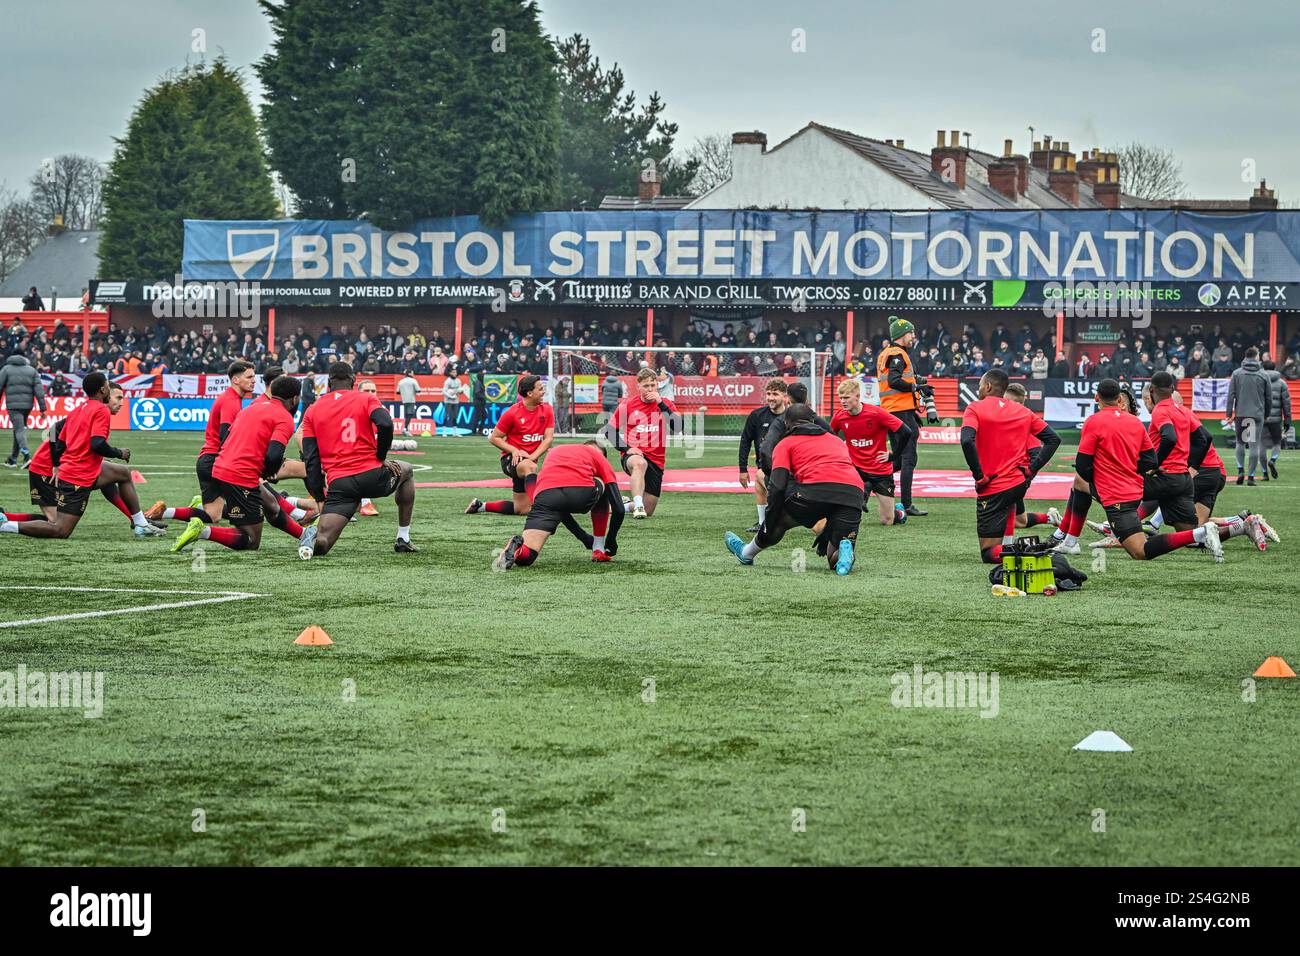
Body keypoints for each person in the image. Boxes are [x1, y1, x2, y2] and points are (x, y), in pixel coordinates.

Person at [1073, 379, 1222, 562]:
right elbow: (1151, 460)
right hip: (1170, 479)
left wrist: (1099, 478)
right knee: (1186, 530)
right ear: (1119, 398)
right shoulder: (1136, 422)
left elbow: (1082, 464)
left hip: (1119, 494)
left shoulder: (1093, 421)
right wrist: (1135, 470)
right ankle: (1228, 526)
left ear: (1097, 397)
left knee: (1140, 551)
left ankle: (1069, 539)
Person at [1, 375, 160, 540]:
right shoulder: (99, 410)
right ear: (104, 392)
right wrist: (117, 452)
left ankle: (140, 523)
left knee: (121, 472)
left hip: (71, 466)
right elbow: (93, 443)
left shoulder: (83, 408)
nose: (122, 402)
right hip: (51, 469)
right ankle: (4, 522)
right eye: (118, 397)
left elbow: (74, 442)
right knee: (57, 527)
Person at [296, 362, 417, 559]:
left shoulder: (313, 409)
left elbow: (310, 458)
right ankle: (402, 538)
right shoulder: (366, 398)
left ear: (328, 383)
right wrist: (381, 457)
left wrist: (318, 495)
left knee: (324, 542)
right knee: (407, 470)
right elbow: (385, 424)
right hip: (372, 476)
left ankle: (311, 538)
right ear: (353, 381)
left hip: (340, 484)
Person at [171, 377, 306, 553]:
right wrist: (269, 472)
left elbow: (225, 438)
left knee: (271, 504)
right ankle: (203, 531)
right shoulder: (285, 418)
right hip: (241, 475)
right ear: (295, 398)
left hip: (221, 467)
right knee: (250, 540)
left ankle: (305, 534)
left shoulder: (251, 408)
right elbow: (274, 455)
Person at [724, 404, 863, 575]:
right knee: (833, 557)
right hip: (853, 493)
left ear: (786, 424)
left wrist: (771, 516)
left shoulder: (785, 443)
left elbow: (777, 485)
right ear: (814, 421)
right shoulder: (835, 440)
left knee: (780, 520)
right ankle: (844, 553)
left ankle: (747, 553)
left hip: (815, 489)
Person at [959, 368, 1061, 564]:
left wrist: (978, 476)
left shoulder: (974, 408)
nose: (979, 389)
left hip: (993, 486)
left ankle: (1031, 551)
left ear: (988, 386)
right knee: (1014, 520)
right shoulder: (1023, 411)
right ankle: (1024, 546)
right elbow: (1053, 439)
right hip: (1018, 484)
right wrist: (1032, 469)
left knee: (989, 553)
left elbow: (966, 441)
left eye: (980, 385)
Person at [494, 441, 624, 569]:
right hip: (580, 493)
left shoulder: (556, 450)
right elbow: (619, 509)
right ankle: (599, 548)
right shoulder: (599, 458)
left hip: (545, 495)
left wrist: (583, 537)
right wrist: (611, 540)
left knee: (526, 557)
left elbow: (561, 508)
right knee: (604, 482)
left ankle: (517, 549)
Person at [466, 374, 555, 517]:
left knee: (521, 509)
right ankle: (540, 507)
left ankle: (481, 506)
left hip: (529, 462)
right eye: (540, 389)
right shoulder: (512, 413)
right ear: (530, 393)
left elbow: (548, 439)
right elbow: (494, 437)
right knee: (531, 467)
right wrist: (515, 450)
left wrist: (532, 456)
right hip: (510, 460)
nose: (543, 391)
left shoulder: (547, 409)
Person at [829, 378, 912, 526]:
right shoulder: (839, 416)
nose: (843, 401)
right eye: (840, 398)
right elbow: (828, 437)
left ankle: (898, 513)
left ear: (857, 396)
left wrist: (894, 455)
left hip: (880, 470)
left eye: (846, 397)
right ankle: (863, 492)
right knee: (840, 500)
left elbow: (906, 432)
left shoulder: (876, 413)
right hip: (856, 469)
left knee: (887, 521)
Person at [605, 367, 679, 518]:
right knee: (640, 464)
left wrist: (660, 404)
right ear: (638, 386)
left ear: (657, 385)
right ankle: (638, 506)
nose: (650, 389)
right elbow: (609, 431)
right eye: (646, 386)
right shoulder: (628, 405)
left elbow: (678, 427)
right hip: (633, 456)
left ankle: (621, 505)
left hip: (657, 460)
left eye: (653, 385)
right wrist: (627, 448)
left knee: (649, 509)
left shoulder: (665, 404)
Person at [876, 316, 929, 517]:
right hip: (898, 411)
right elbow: (894, 381)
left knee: (898, 460)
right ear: (901, 335)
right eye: (911, 333)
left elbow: (898, 380)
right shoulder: (897, 354)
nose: (913, 336)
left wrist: (917, 382)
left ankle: (865, 487)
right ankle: (907, 505)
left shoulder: (889, 353)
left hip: (895, 411)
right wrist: (916, 386)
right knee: (909, 458)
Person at [193, 361, 257, 522]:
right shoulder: (231, 401)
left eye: (254, 377)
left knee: (213, 516)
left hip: (208, 460)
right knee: (257, 497)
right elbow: (226, 437)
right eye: (249, 377)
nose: (254, 380)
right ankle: (298, 511)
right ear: (236, 380)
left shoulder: (231, 398)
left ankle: (164, 512)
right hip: (216, 461)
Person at [1002, 382, 1062, 531]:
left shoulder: (1025, 420)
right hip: (1008, 475)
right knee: (1019, 521)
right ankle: (1050, 518)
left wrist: (1027, 475)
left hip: (1014, 478)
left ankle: (1003, 551)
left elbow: (1037, 452)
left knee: (999, 517)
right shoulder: (1007, 418)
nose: (1002, 404)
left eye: (1005, 401)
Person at [738, 379, 788, 533]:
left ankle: (780, 511)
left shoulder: (791, 416)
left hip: (788, 467)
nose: (770, 397)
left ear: (785, 396)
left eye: (775, 394)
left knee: (760, 475)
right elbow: (745, 440)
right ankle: (763, 524)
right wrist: (743, 469)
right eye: (768, 394)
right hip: (766, 465)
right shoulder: (757, 415)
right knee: (759, 484)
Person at [1225, 347, 1271, 485]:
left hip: (1242, 414)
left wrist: (1228, 413)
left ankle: (1240, 470)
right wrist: (1266, 414)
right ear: (1257, 357)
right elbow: (1269, 398)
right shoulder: (1263, 375)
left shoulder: (1237, 373)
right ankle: (1250, 477)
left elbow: (1231, 395)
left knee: (1240, 443)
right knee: (1253, 445)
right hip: (1257, 415)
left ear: (1246, 357)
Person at [0, 353, 48, 468]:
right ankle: (13, 459)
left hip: (13, 405)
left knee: (19, 430)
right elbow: (39, 391)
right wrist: (43, 409)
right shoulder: (32, 370)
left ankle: (27, 456)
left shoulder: (6, 369)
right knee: (18, 429)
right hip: (27, 406)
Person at [1260, 359, 1292, 481]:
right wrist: (1287, 420)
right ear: (1274, 368)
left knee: (1261, 446)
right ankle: (1272, 460)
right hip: (1276, 419)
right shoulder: (1282, 383)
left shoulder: (1259, 381)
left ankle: (1264, 473)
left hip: (1262, 418)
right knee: (1277, 443)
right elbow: (1286, 404)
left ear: (1263, 368)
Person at [397, 371, 420, 436]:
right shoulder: (413, 381)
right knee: (410, 414)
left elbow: (397, 392)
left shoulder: (401, 381)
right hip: (411, 399)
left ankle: (406, 428)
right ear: (409, 373)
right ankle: (405, 428)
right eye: (412, 373)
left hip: (404, 400)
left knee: (406, 415)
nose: (413, 374)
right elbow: (418, 390)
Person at [442, 369, 463, 435]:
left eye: (455, 372)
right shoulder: (447, 381)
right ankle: (444, 431)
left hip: (456, 400)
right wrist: (451, 396)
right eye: (453, 372)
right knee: (446, 415)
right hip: (448, 400)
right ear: (450, 373)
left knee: (455, 416)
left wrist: (461, 392)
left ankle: (455, 432)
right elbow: (444, 391)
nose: (455, 373)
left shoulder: (458, 381)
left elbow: (459, 390)